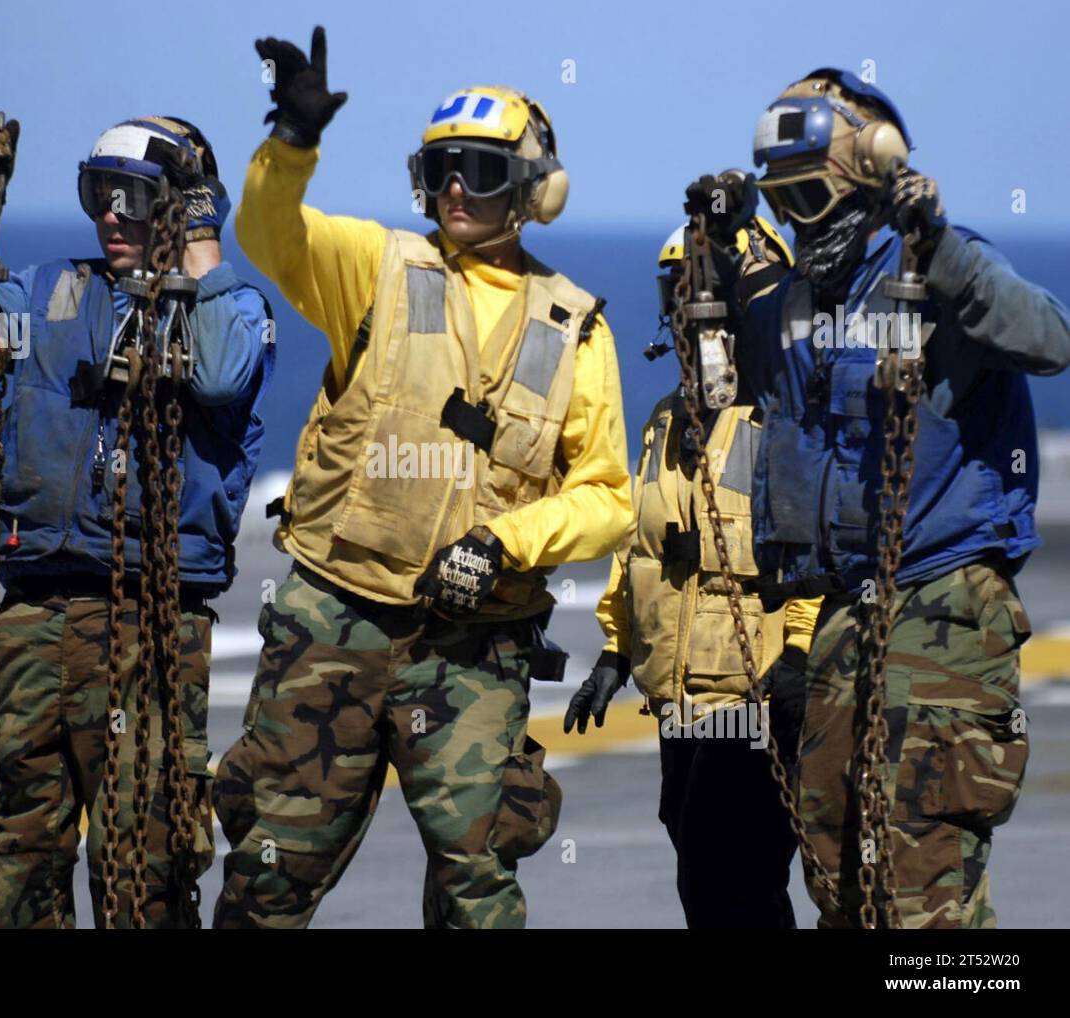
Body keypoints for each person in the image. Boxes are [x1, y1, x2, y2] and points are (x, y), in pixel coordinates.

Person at [212, 27, 631, 929]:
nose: (453, 192)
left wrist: (502, 541)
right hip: (337, 617)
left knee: (477, 882)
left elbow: (607, 497)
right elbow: (268, 233)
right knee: (269, 871)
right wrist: (291, 144)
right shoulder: (379, 269)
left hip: (472, 647)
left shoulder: (575, 328)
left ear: (531, 189)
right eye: (438, 170)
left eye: (479, 172)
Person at [687, 68, 1070, 927]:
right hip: (840, 615)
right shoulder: (791, 302)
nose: (799, 222)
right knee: (839, 875)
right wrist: (719, 247)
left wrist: (940, 247)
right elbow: (734, 388)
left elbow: (1048, 338)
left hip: (938, 608)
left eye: (812, 196)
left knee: (919, 887)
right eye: (783, 202)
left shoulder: (937, 269)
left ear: (869, 174)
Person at [0, 114, 275, 927]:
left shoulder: (230, 311)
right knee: (4, 850)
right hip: (31, 619)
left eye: (135, 198)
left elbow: (215, 375)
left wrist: (202, 240)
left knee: (143, 866)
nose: (111, 215)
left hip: (149, 631)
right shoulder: (47, 297)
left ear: (182, 206)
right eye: (97, 194)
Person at [567, 216, 820, 927]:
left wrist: (798, 654)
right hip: (681, 703)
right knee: (706, 880)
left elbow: (818, 561)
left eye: (705, 290)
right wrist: (616, 650)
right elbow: (641, 545)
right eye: (676, 292)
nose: (688, 310)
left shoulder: (784, 425)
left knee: (727, 883)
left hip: (757, 701)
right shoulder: (665, 421)